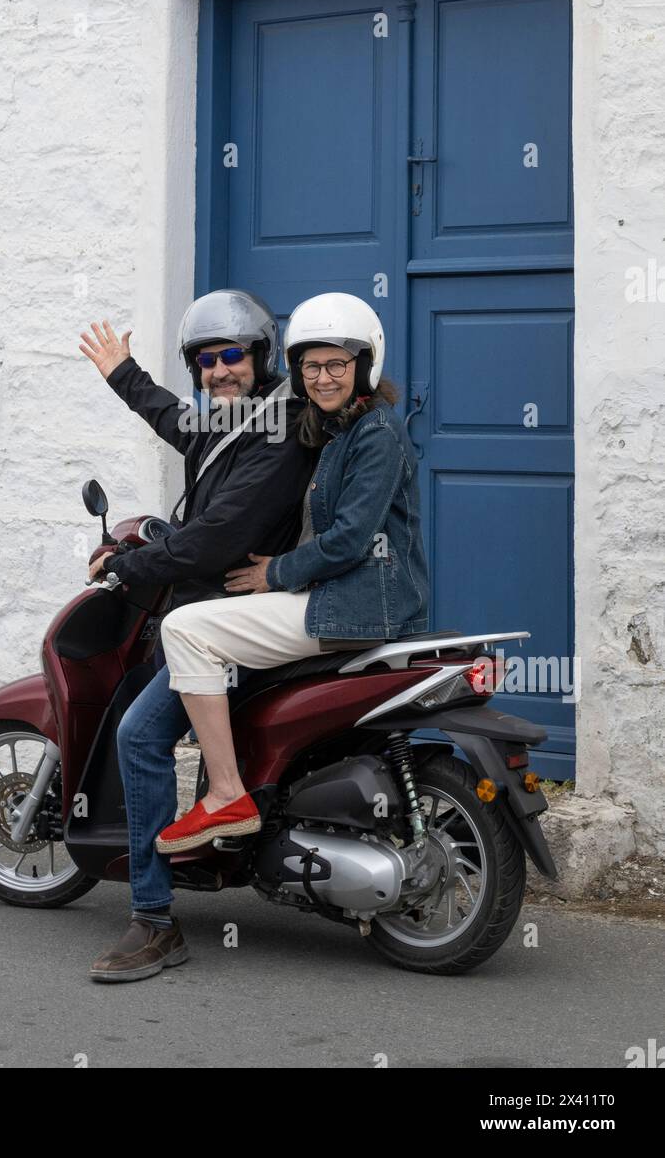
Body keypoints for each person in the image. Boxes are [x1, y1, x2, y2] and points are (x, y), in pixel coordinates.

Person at [78, 290, 316, 982]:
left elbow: (212, 545)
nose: (218, 371)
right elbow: (181, 425)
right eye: (206, 360)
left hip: (228, 624)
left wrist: (128, 566)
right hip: (211, 610)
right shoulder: (244, 421)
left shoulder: (278, 431)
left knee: (140, 736)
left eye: (231, 355)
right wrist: (123, 374)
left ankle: (154, 921)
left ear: (262, 356)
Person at [154, 292, 430, 857]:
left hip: (353, 606)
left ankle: (227, 792)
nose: (322, 378)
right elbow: (209, 431)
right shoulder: (335, 430)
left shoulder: (375, 434)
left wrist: (275, 572)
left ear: (364, 366)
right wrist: (127, 379)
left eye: (335, 365)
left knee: (184, 629)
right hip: (341, 600)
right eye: (310, 366)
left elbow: (351, 538)